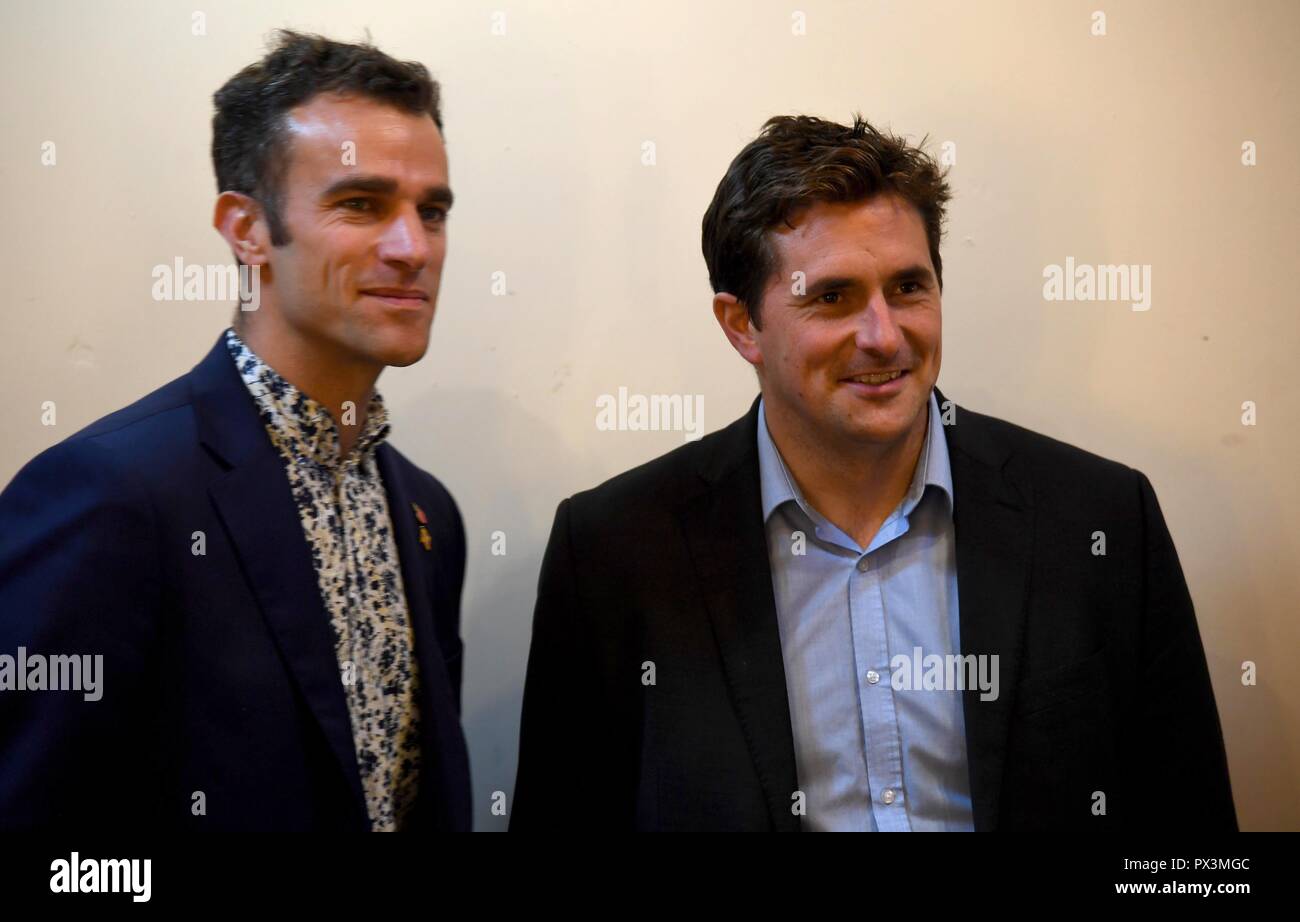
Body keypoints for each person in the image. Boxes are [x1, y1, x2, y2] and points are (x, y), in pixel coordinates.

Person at [511, 114, 1236, 831]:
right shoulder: (614, 550)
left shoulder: (1101, 520)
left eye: (909, 288)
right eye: (833, 296)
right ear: (741, 326)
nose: (884, 335)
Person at [0, 30, 470, 831]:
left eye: (432, 212)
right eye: (361, 203)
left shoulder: (429, 515)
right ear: (246, 229)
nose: (412, 247)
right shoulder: (109, 495)